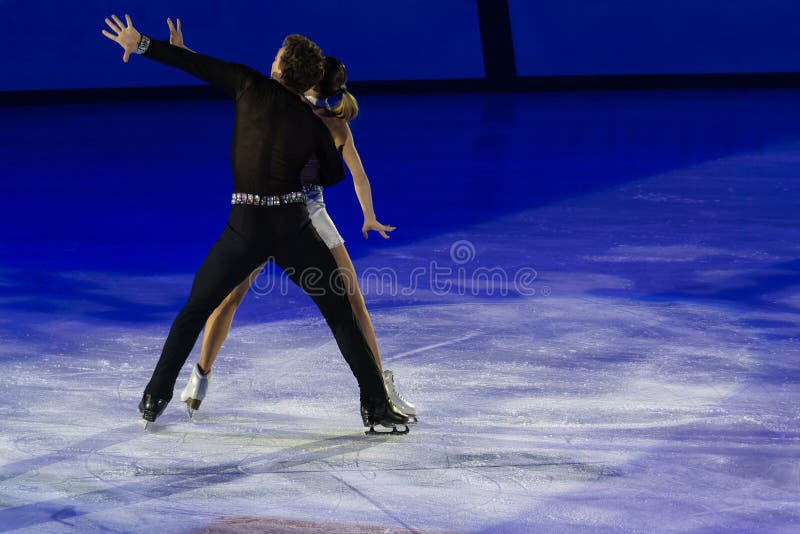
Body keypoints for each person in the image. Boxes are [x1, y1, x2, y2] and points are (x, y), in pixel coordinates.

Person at [100, 13, 408, 432]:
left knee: (195, 309)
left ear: (280, 68)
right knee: (339, 312)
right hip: (293, 227)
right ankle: (375, 407)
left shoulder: (247, 84)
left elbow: (198, 66)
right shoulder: (313, 123)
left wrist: (143, 44)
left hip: (245, 227)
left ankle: (155, 398)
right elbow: (334, 176)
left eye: (278, 54)